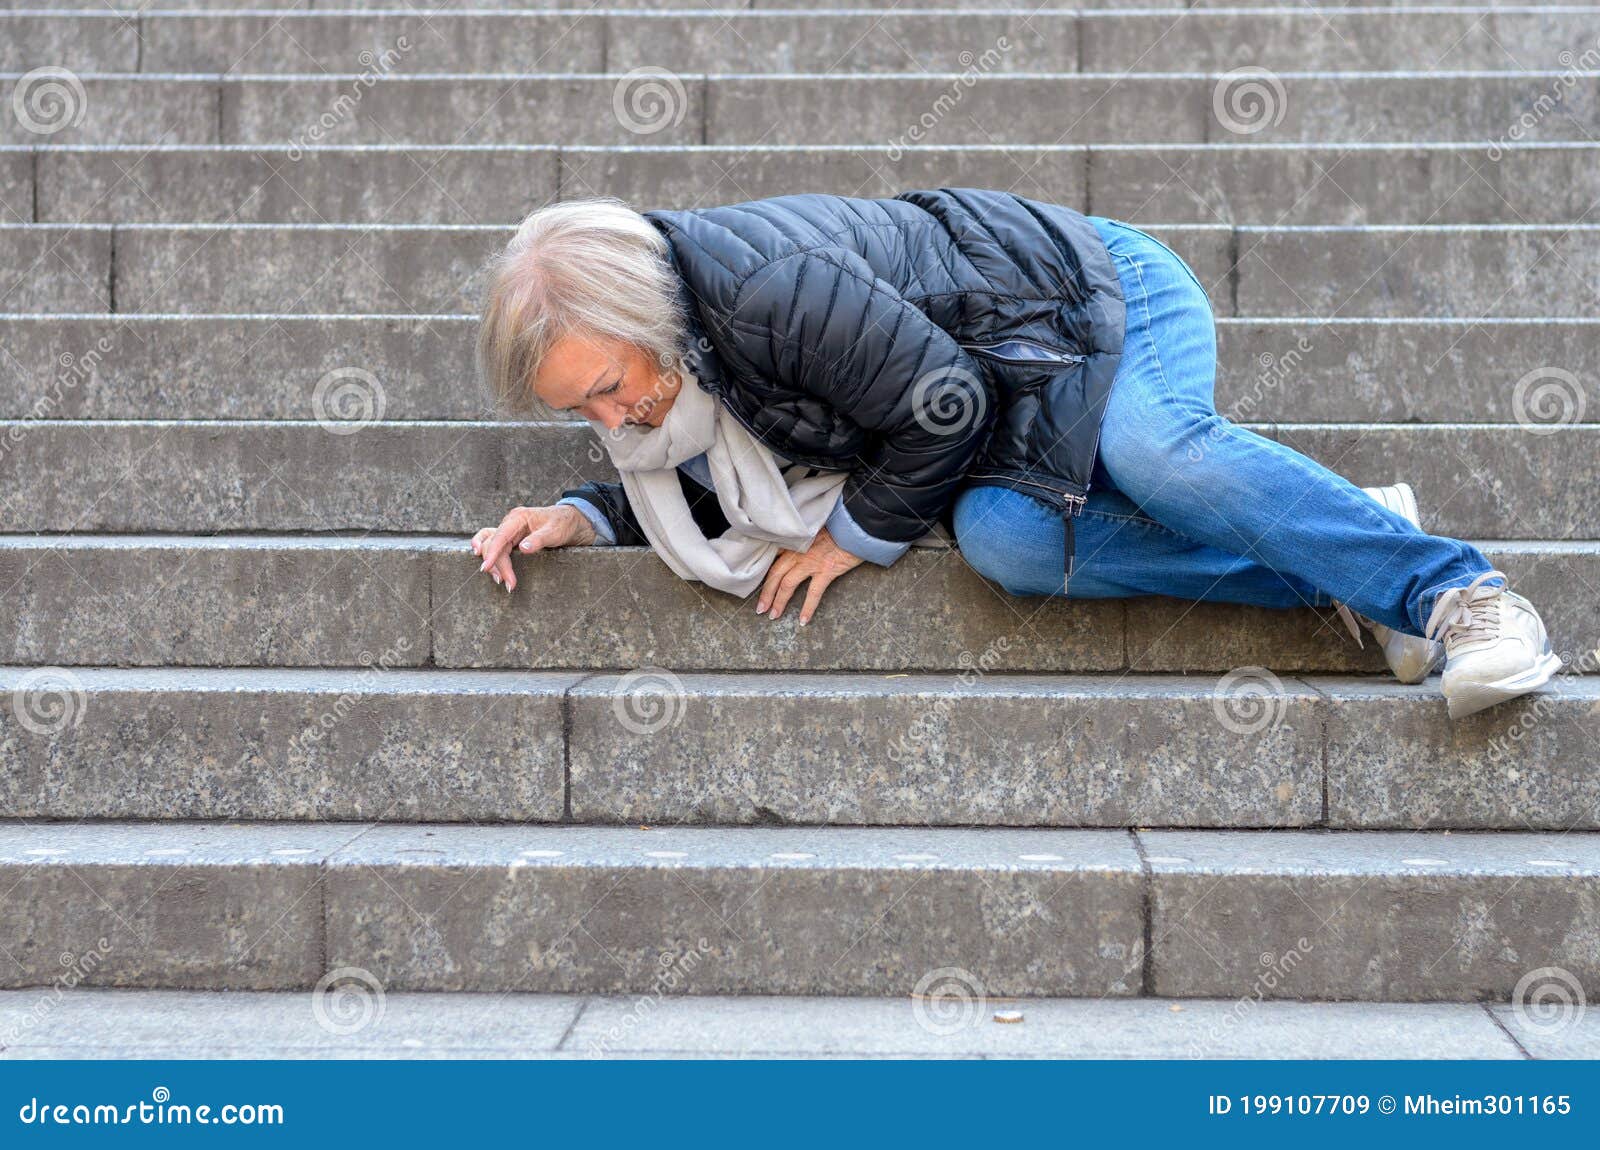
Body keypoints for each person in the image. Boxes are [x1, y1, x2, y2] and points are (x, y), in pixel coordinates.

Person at [470, 191, 1560, 719]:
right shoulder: (673, 353)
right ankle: (1347, 548)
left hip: (1089, 301)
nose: (614, 422)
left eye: (609, 390)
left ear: (643, 313)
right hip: (1008, 393)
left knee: (1153, 449)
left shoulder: (764, 294)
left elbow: (941, 405)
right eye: (585, 411)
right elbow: (703, 462)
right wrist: (586, 514)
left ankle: (1451, 590)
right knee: (1005, 541)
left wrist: (857, 536)